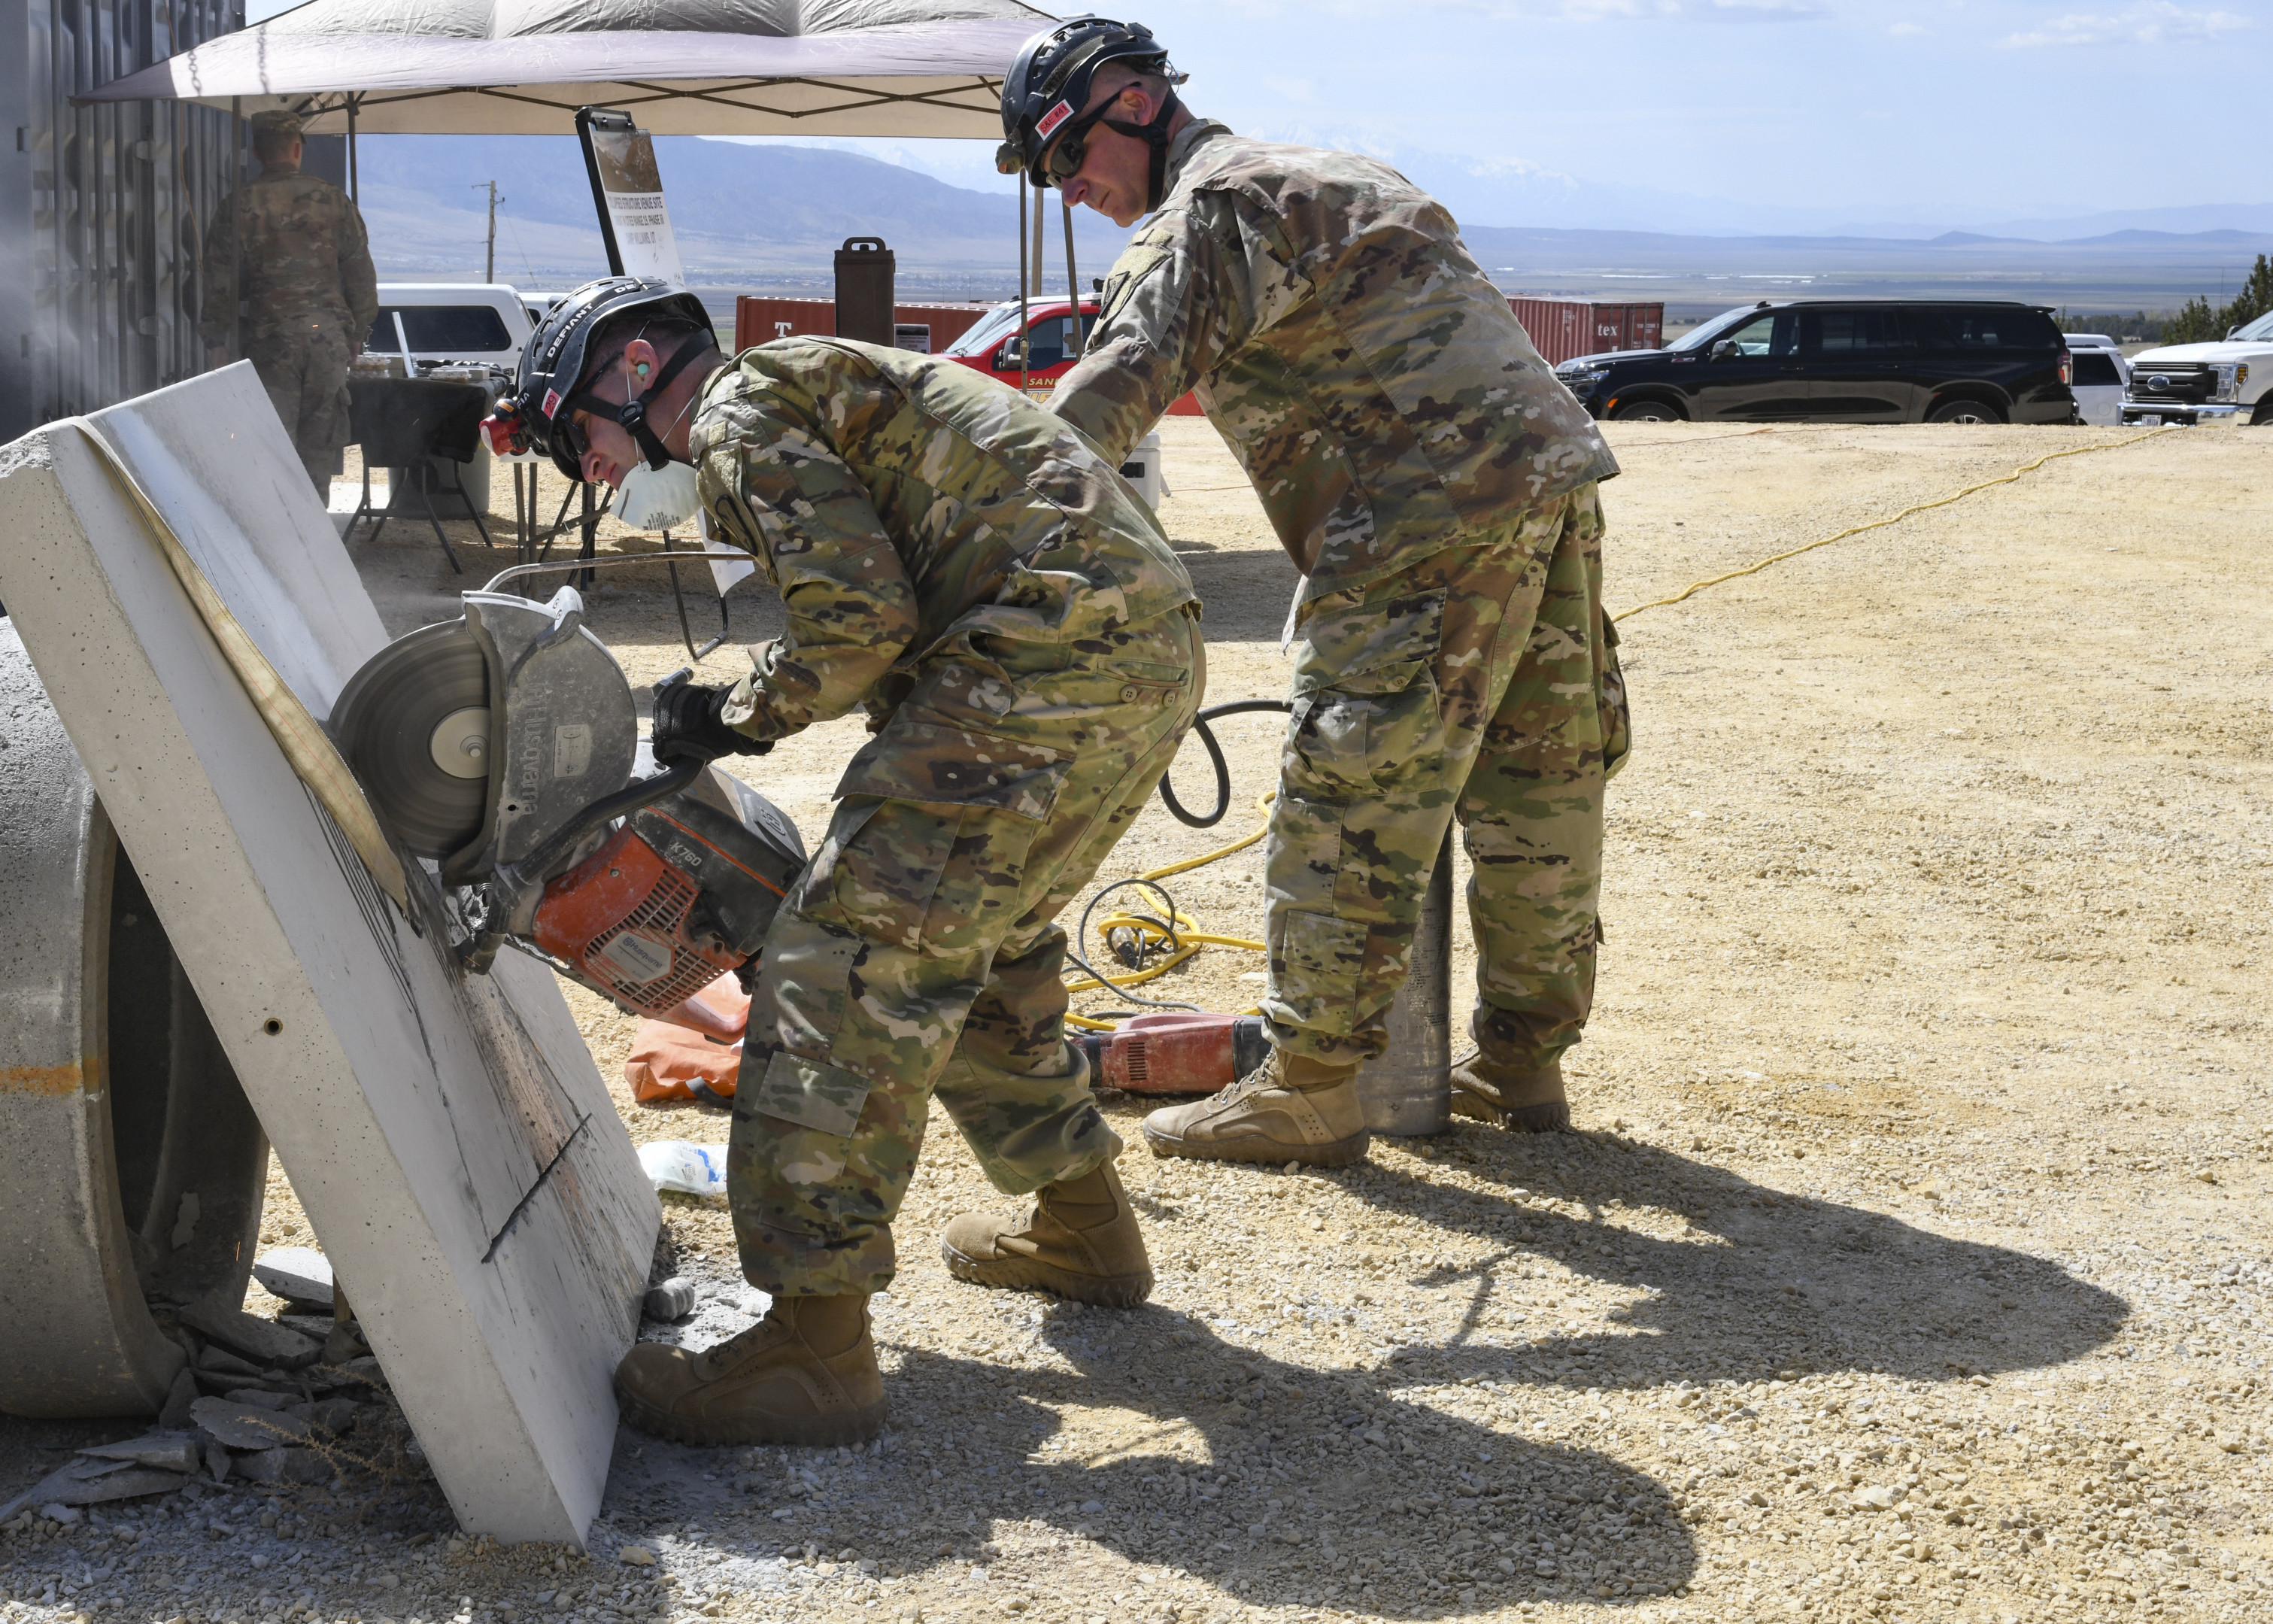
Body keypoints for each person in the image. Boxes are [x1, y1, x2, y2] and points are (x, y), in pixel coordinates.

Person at [484, 278, 1201, 1446]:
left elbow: (859, 625)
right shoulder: (806, 382)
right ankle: (1084, 1228)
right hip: (1136, 655)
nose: (593, 473)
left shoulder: (731, 413)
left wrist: (731, 713)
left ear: (631, 373)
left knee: (840, 966)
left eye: (580, 441)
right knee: (974, 944)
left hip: (1038, 670)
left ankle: (814, 1349)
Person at [1000, 19, 1631, 1164]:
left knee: (1347, 786)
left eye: (1068, 158)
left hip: (1414, 518)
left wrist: (979, 533)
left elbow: (1103, 402)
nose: (1071, 190)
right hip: (1544, 482)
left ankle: (1310, 1084)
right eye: (1052, 178)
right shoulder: (1336, 169)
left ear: (1133, 104)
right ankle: (1522, 1060)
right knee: (1538, 774)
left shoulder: (1205, 214)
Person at [199, 109, 377, 493]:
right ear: (298, 148)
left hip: (271, 342)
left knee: (271, 445)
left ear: (256, 152)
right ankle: (313, 524)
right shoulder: (333, 201)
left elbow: (219, 281)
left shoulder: (239, 205)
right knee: (319, 446)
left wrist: (215, 339)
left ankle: (274, 523)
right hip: (326, 340)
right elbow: (360, 274)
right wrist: (356, 332)